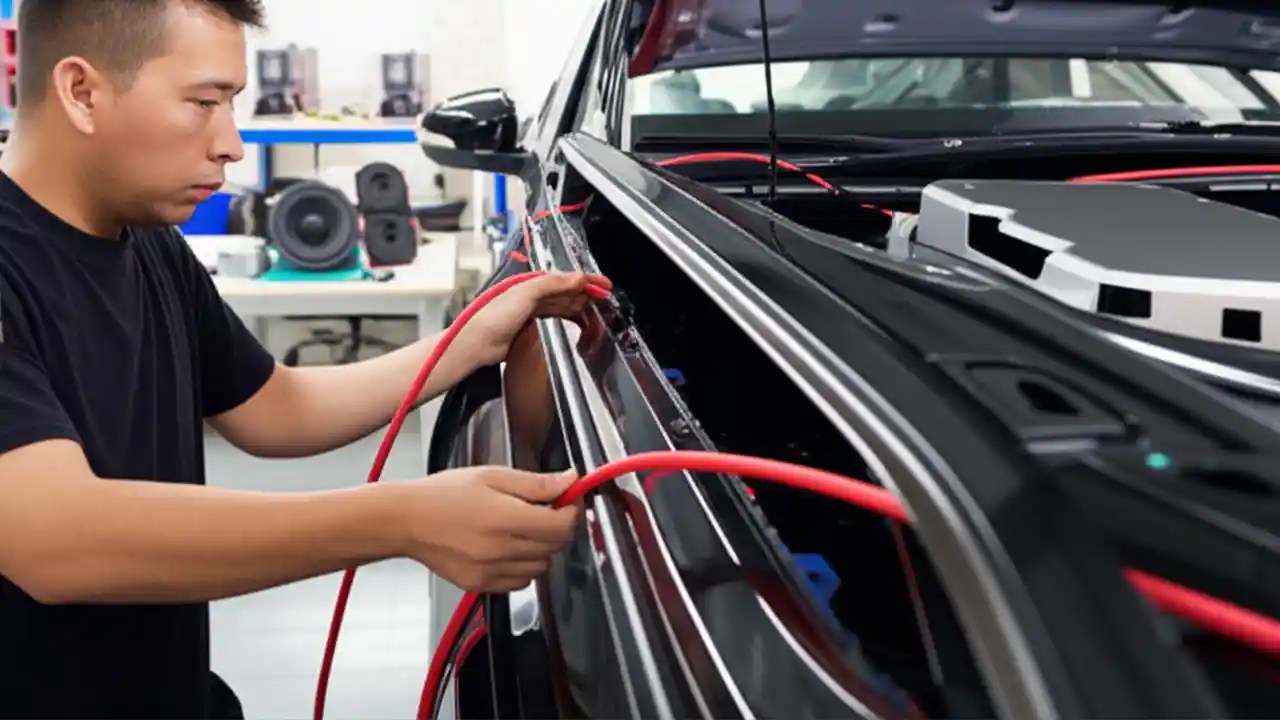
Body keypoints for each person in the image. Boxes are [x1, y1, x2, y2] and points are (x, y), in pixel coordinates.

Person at [0, 1, 610, 718]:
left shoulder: (145, 241)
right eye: (204, 103)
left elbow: (273, 408)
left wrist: (464, 343)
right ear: (81, 91)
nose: (230, 143)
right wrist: (398, 521)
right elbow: (57, 541)